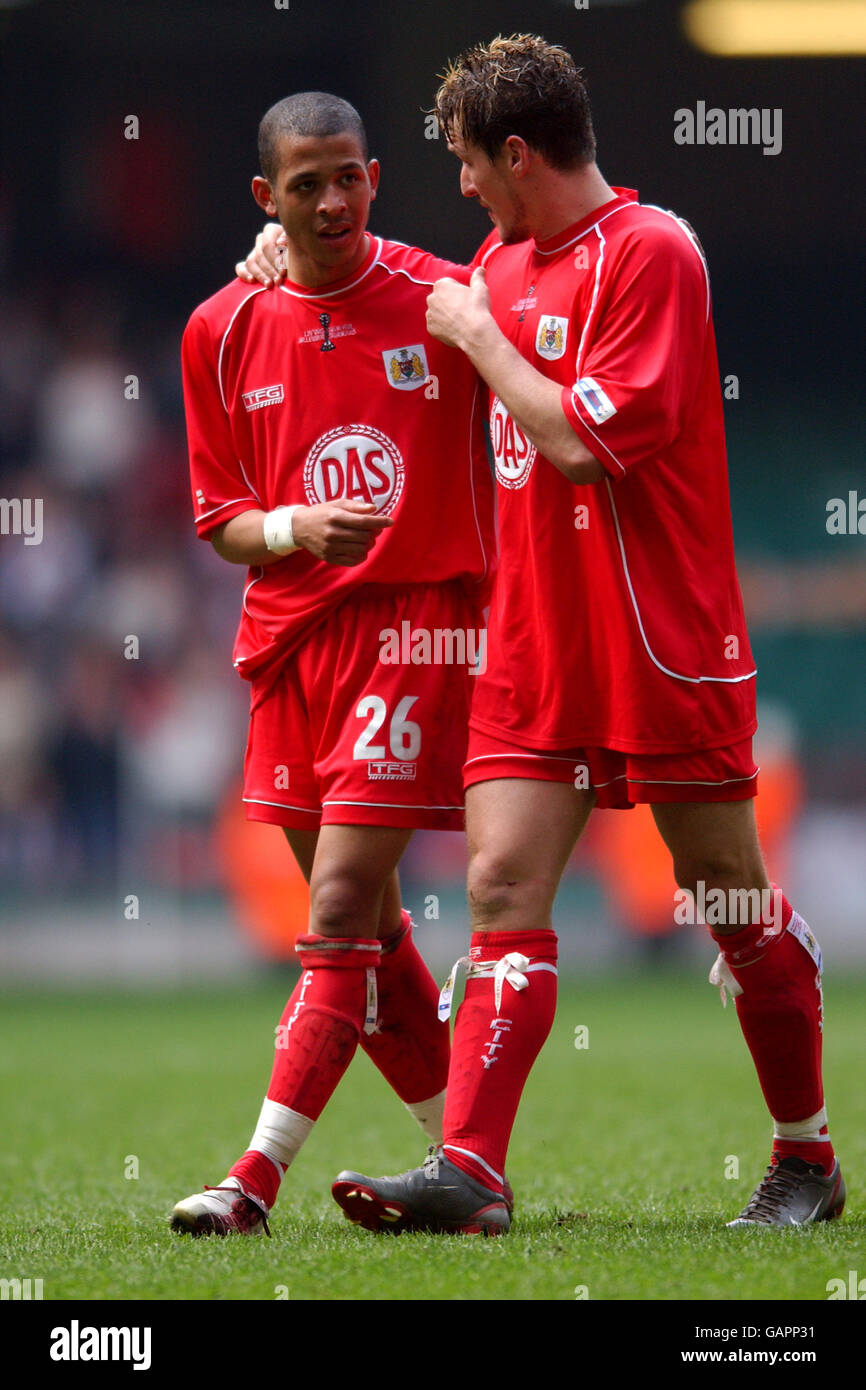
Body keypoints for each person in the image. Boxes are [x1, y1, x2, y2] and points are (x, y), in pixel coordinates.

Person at [319, 35, 842, 1234]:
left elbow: (573, 439)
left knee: (723, 895)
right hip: (533, 643)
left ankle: (803, 1156)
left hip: (659, 641)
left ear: (515, 153)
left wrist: (483, 338)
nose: (459, 190)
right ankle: (471, 1171)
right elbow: (407, 291)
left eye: (464, 163)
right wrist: (283, 254)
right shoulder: (499, 257)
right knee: (500, 883)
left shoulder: (653, 255)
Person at [171, 91, 495, 1236]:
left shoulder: (441, 298)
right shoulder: (219, 326)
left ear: (374, 178)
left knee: (343, 906)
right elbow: (219, 517)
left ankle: (248, 1181)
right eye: (303, 184)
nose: (329, 200)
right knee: (371, 930)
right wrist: (293, 528)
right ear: (267, 197)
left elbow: (549, 294)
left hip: (414, 629)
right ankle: (465, 1165)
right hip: (288, 641)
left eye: (347, 176)